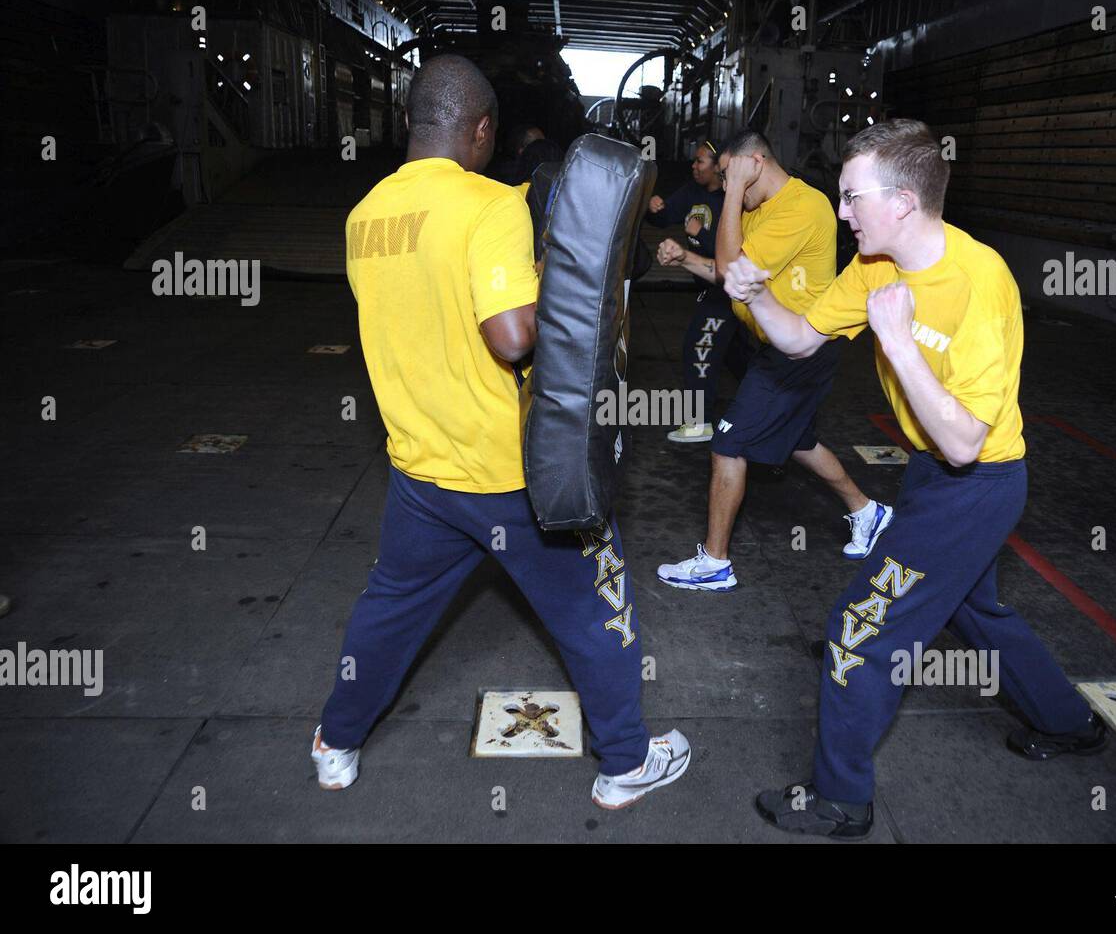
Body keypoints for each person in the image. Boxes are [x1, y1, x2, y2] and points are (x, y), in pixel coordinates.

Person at [314, 54, 689, 810]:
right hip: (510, 474)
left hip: (420, 469)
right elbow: (512, 336)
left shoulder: (364, 218)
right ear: (482, 131)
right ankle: (626, 762)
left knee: (389, 607)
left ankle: (335, 742)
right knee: (596, 603)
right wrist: (570, 268)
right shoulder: (488, 208)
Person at [725, 119, 1105, 839]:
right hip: (932, 474)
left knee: (858, 630)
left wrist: (898, 343)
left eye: (850, 197)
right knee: (974, 609)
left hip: (978, 482)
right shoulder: (875, 260)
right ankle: (1069, 721)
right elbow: (802, 336)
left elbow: (965, 440)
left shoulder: (979, 282)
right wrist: (755, 295)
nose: (840, 212)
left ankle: (839, 799)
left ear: (902, 201)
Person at [657, 130, 893, 591]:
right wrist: (686, 257)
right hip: (782, 346)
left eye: (729, 174)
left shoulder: (800, 207)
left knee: (728, 442)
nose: (725, 186)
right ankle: (868, 511)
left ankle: (715, 562)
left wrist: (732, 195)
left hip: (800, 348)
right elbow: (733, 276)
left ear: (756, 163)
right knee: (799, 440)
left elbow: (729, 266)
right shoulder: (760, 208)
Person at [649, 140, 753, 443]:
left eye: (701, 162)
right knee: (737, 357)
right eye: (694, 161)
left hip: (726, 291)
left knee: (700, 348)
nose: (694, 166)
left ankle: (699, 422)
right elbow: (665, 216)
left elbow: (731, 257)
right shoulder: (691, 192)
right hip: (710, 290)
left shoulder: (731, 203)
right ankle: (770, 409)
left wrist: (701, 234)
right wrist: (651, 206)